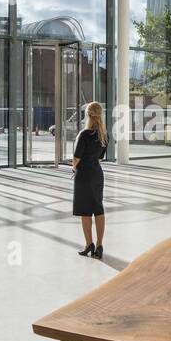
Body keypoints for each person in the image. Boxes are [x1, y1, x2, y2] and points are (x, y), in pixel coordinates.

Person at [72, 101, 108, 259]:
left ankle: (89, 244)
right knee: (98, 209)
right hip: (97, 174)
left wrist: (74, 167)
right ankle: (99, 245)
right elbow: (100, 157)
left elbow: (76, 158)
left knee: (85, 211)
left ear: (88, 115)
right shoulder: (104, 135)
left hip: (84, 175)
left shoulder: (85, 134)